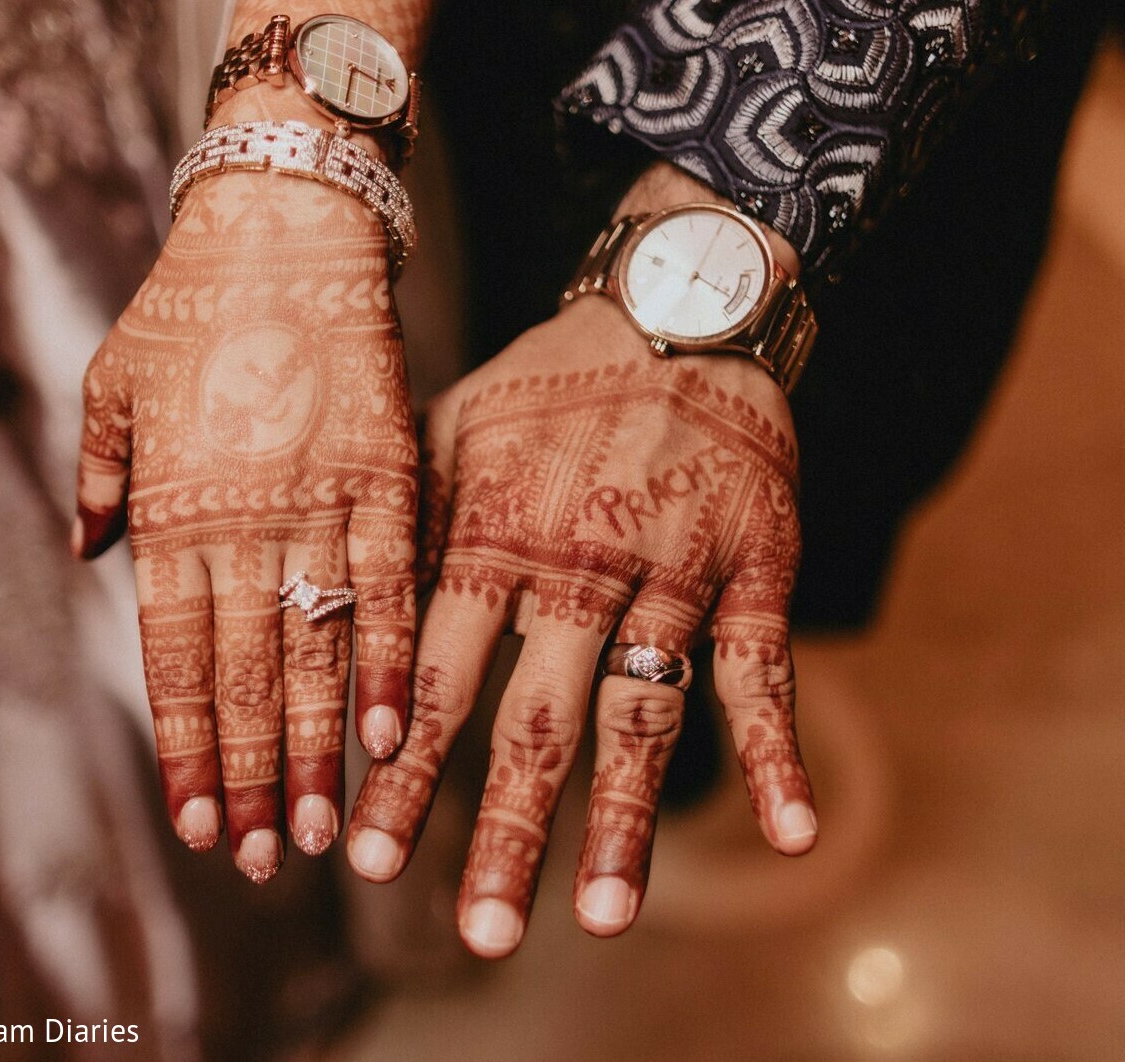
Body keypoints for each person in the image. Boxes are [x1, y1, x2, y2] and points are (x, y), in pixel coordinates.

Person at [74, 0, 1116, 964]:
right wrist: (292, 156)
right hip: (496, 60)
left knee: (772, 501)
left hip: (887, 95)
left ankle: (684, 732)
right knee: (488, 460)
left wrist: (735, 203)